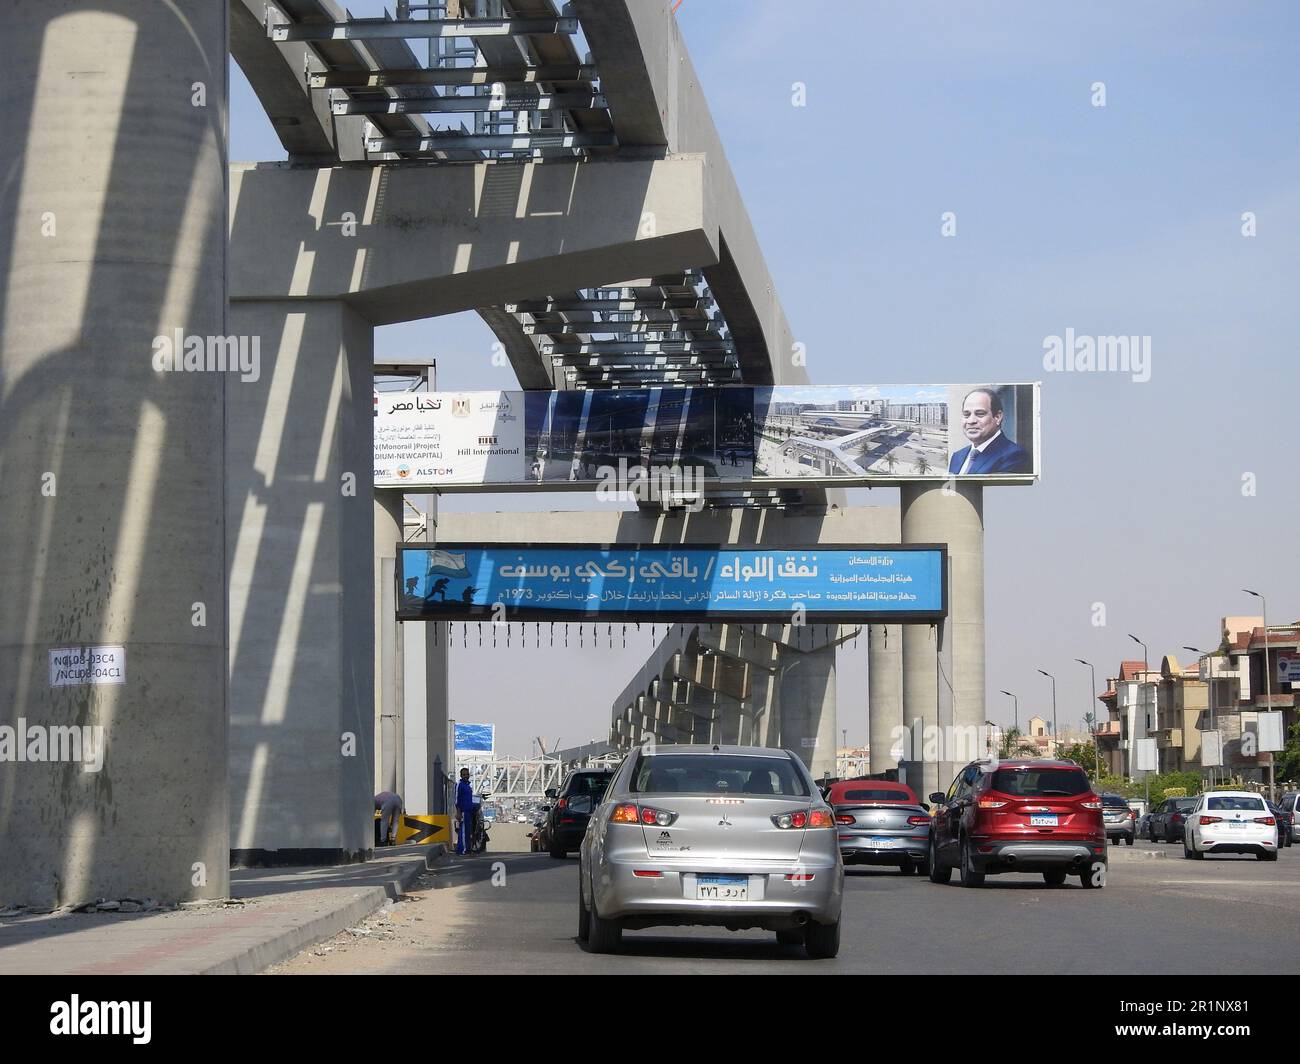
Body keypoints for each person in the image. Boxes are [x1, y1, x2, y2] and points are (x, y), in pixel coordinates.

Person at [947, 387, 1031, 475]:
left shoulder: (1014, 456)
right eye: (966, 415)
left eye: (980, 414)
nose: (971, 421)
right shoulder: (957, 457)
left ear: (998, 417)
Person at [454, 768, 475, 855]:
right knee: (463, 831)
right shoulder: (460, 785)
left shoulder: (468, 786)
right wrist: (458, 812)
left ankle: (468, 848)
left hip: (469, 812)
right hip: (463, 812)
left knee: (467, 831)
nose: (466, 776)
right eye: (464, 775)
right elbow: (456, 799)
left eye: (467, 774)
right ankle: (463, 850)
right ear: (461, 775)